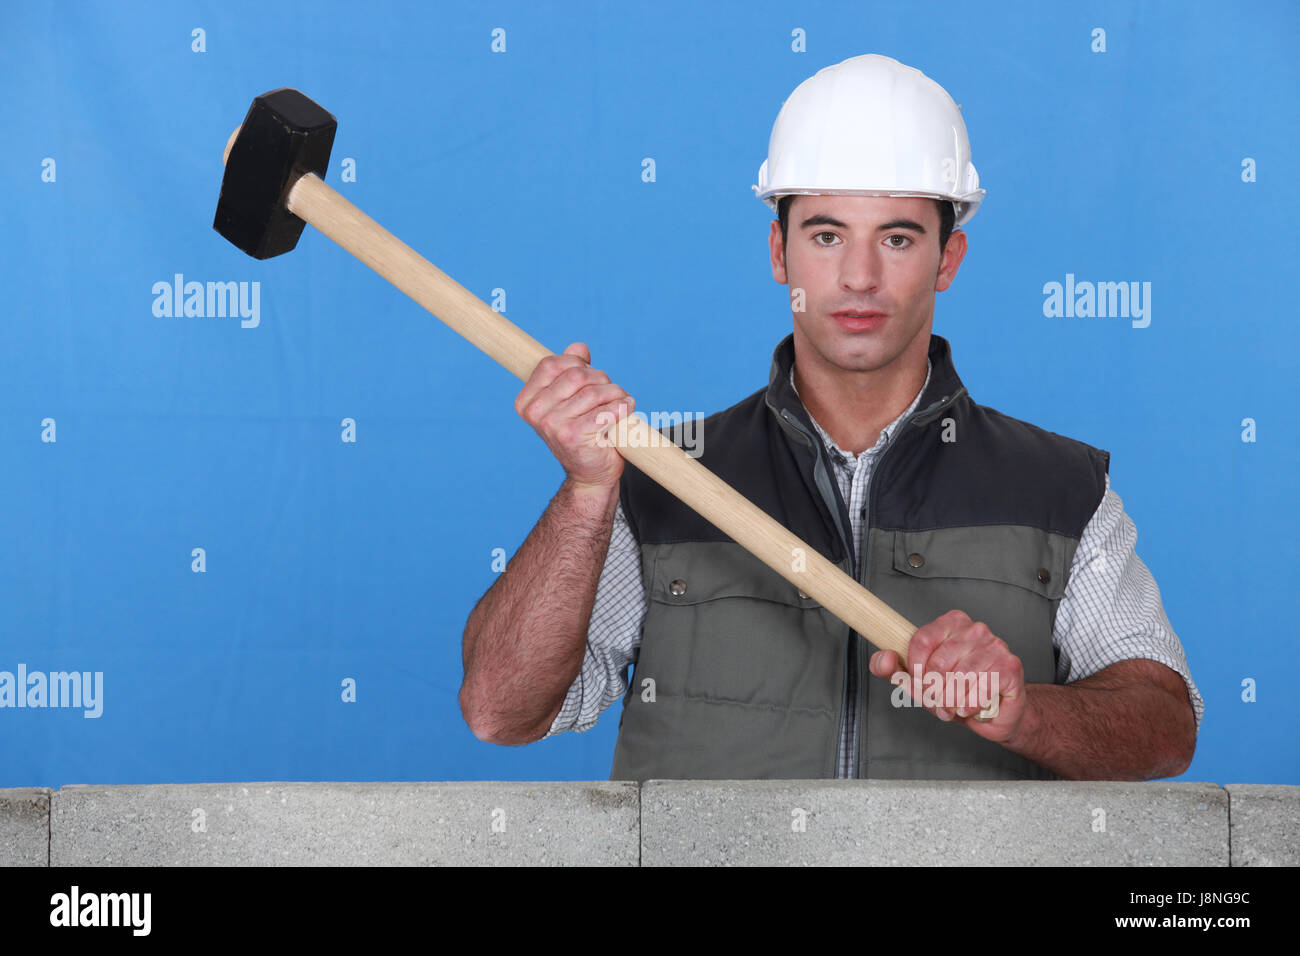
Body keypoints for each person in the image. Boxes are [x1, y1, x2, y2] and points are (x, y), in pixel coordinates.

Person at [459, 54, 1201, 781]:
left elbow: (1165, 729)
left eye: (898, 238)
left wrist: (1026, 714)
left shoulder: (1058, 490)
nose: (859, 276)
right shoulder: (662, 475)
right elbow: (501, 711)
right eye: (826, 234)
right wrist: (588, 494)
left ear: (948, 260)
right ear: (780, 250)